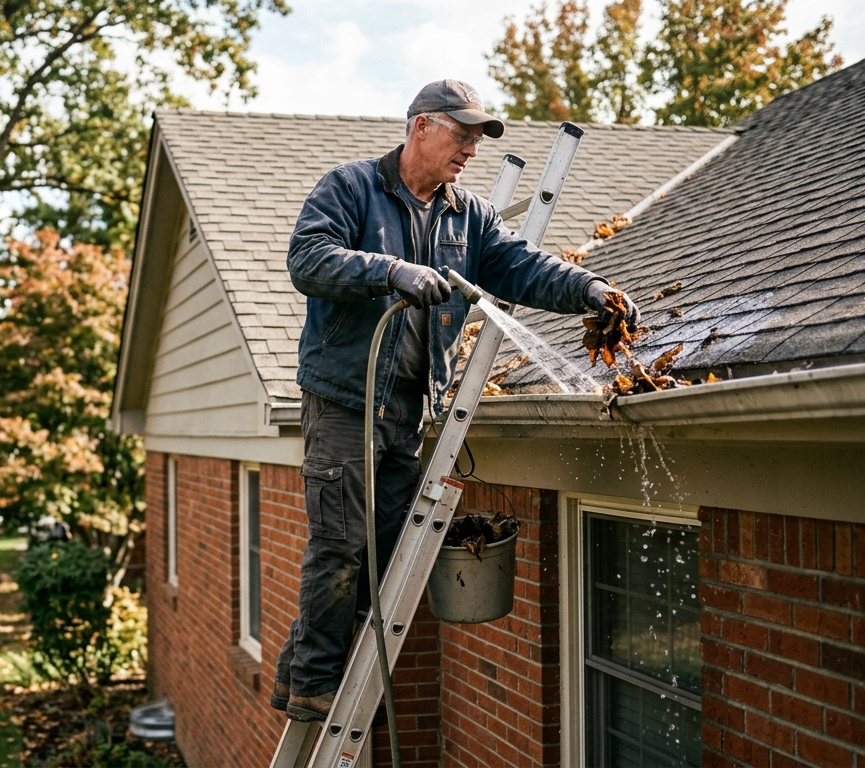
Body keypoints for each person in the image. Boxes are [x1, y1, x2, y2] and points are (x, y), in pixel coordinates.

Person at [273, 79, 640, 722]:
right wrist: (390, 271)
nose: (472, 149)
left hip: (408, 409)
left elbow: (524, 267)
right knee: (341, 545)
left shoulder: (468, 216)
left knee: (382, 554)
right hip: (346, 401)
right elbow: (308, 259)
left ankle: (312, 674)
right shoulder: (351, 188)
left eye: (477, 139)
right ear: (421, 126)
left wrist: (590, 288)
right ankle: (312, 682)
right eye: (462, 135)